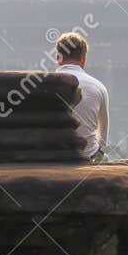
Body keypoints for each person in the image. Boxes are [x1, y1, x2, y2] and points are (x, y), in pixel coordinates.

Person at [54, 32, 108, 160]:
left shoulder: (43, 85)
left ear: (58, 58)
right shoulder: (99, 87)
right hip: (89, 157)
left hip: (54, 156)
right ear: (83, 58)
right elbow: (103, 138)